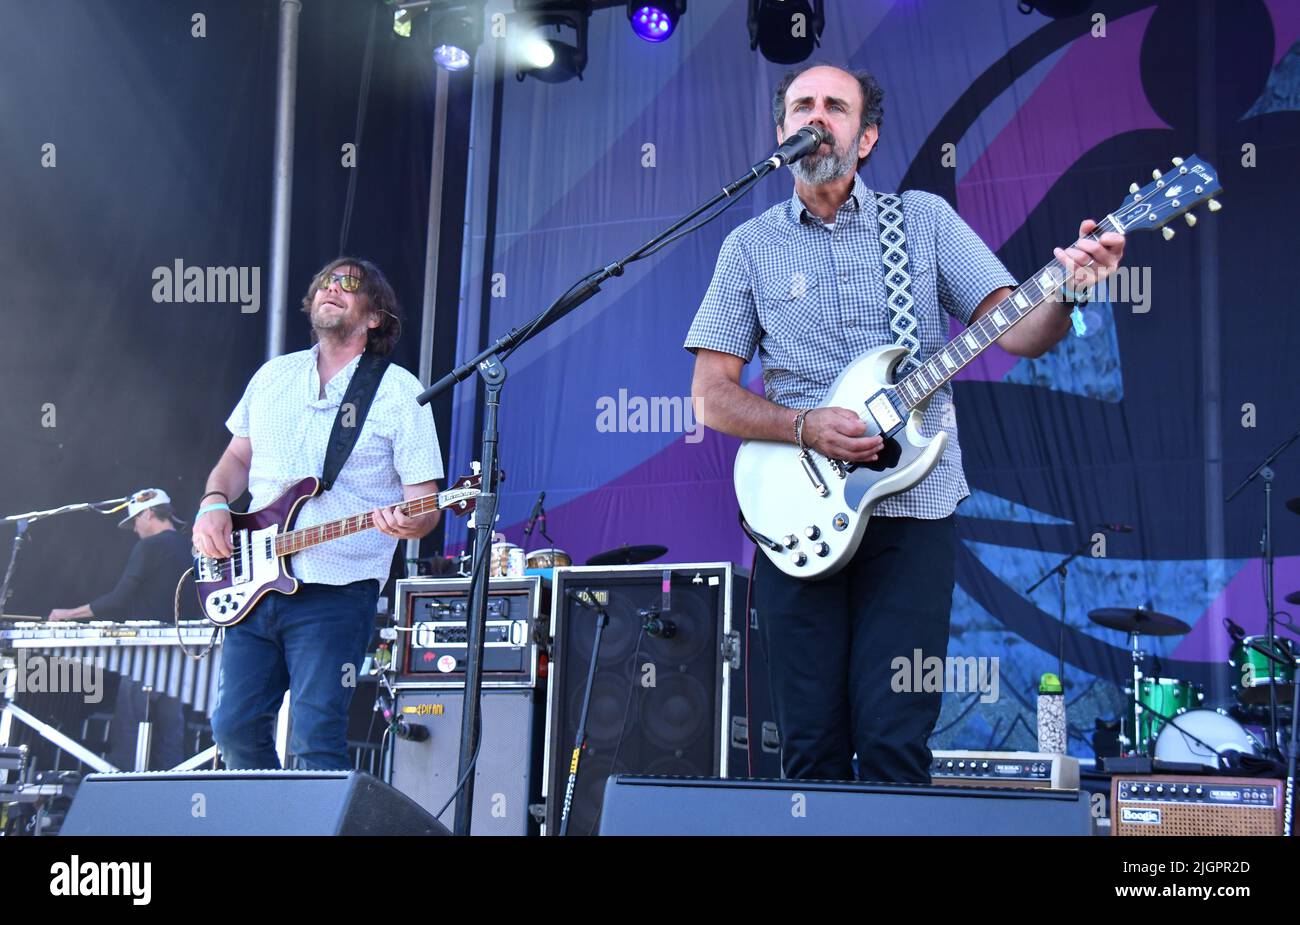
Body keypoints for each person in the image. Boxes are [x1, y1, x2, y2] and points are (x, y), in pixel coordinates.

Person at [685, 63, 1125, 783]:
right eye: (803, 105)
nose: (816, 116)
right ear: (780, 133)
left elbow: (1018, 331)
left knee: (895, 742)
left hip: (912, 515)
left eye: (836, 106)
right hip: (798, 517)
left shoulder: (921, 222)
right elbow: (709, 396)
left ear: (866, 138)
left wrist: (1069, 291)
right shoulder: (749, 248)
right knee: (810, 750)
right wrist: (804, 427)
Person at [193, 258, 444, 770]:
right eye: (325, 282)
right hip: (252, 581)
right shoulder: (273, 376)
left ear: (374, 316)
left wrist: (413, 522)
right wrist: (214, 502)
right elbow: (237, 459)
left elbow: (426, 502)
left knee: (315, 738)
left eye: (348, 285)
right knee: (234, 729)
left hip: (338, 590)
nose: (332, 288)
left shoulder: (398, 390)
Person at [49, 488, 196, 769]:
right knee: (171, 744)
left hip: (144, 655)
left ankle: (120, 795)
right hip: (180, 655)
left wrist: (69, 614)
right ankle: (168, 800)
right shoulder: (189, 548)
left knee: (127, 741)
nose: (134, 530)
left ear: (149, 513)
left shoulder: (148, 547)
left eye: (135, 522)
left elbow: (119, 599)